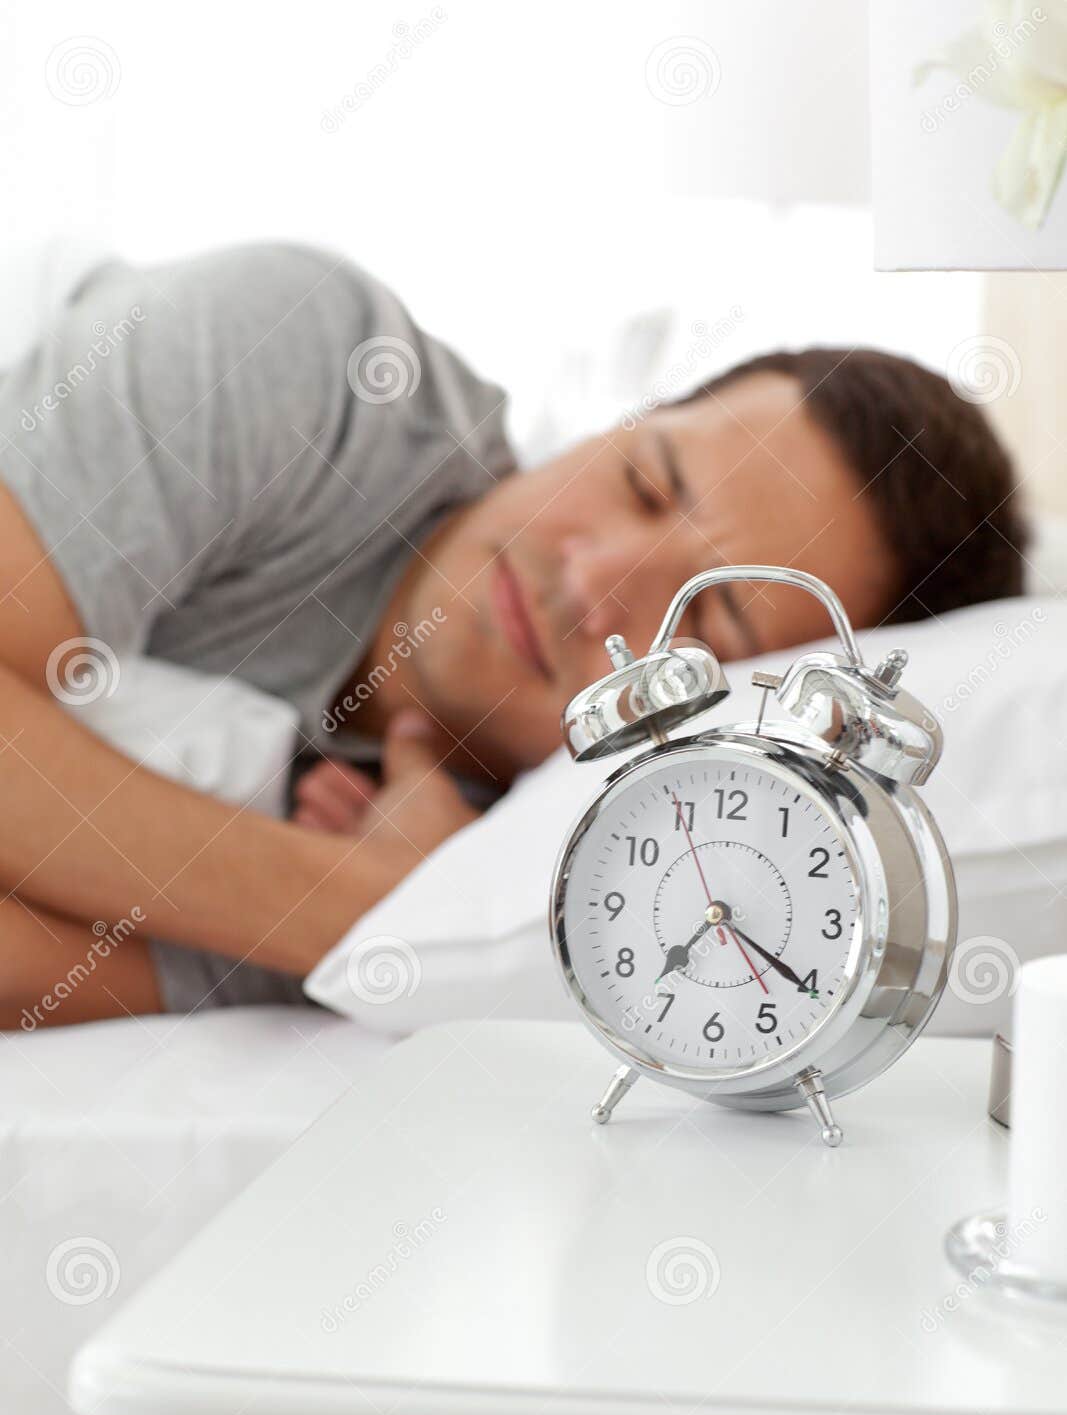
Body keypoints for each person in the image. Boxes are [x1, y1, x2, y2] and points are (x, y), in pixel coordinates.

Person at [0, 244, 1027, 1026]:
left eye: (704, 617)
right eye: (645, 480)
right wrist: (364, 906)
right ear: (624, 416)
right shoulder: (310, 362)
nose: (589, 582)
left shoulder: (516, 855)